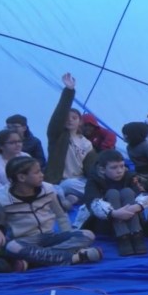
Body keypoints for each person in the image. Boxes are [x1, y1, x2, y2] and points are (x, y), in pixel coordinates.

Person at [0, 156, 101, 267]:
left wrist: (67, 233)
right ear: (21, 177)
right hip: (26, 241)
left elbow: (61, 215)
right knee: (12, 247)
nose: (42, 175)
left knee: (88, 235)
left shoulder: (48, 190)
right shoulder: (2, 201)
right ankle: (73, 257)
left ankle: (33, 260)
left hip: (49, 236)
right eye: (37, 172)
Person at [81, 150, 148, 256]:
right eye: (114, 168)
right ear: (102, 169)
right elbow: (93, 202)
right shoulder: (94, 180)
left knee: (127, 192)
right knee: (112, 193)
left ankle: (137, 234)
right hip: (107, 221)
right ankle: (123, 237)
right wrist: (114, 213)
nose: (119, 171)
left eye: (122, 166)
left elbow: (143, 194)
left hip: (131, 216)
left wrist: (136, 207)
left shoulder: (129, 176)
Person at [44, 74, 97, 203]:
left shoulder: (86, 143)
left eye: (74, 118)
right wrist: (69, 91)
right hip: (58, 181)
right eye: (67, 118)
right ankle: (69, 198)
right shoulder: (57, 136)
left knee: (88, 186)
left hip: (79, 181)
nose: (70, 120)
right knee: (60, 187)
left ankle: (71, 198)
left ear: (80, 122)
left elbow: (91, 167)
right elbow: (59, 114)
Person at [0, 129, 29, 197]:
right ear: (0, 146)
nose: (18, 145)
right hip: (2, 198)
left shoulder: (26, 156)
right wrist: (16, 193)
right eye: (12, 143)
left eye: (19, 141)